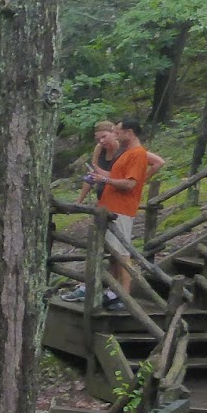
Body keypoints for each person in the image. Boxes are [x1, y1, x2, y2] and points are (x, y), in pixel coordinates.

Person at [88, 118, 158, 300]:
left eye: (118, 131)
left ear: (130, 132)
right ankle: (112, 291)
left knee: (122, 254)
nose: (116, 135)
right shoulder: (127, 153)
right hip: (109, 206)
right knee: (113, 252)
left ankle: (124, 295)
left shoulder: (138, 154)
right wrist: (98, 175)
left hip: (121, 209)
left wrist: (105, 180)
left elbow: (129, 184)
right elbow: (116, 176)